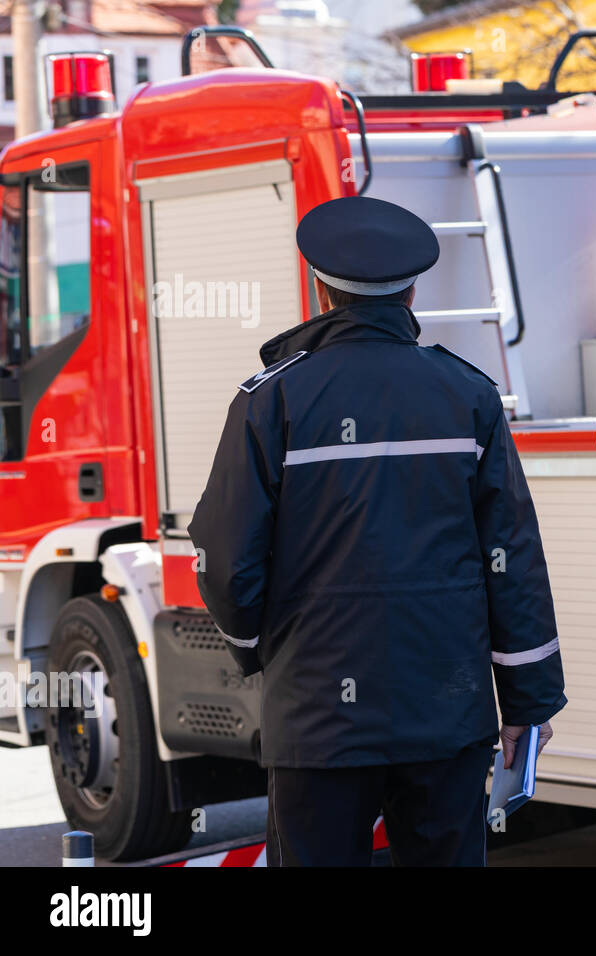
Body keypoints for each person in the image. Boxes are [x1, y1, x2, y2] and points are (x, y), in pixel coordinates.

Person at [188, 195, 566, 867]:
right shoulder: (468, 394)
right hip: (446, 719)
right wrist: (528, 703)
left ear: (319, 287)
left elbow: (224, 559)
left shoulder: (269, 401)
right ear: (413, 290)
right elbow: (513, 557)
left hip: (317, 721)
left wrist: (259, 650)